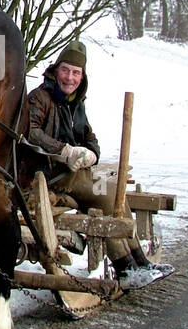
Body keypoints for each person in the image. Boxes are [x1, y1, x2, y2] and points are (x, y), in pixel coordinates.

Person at [24, 39, 156, 278]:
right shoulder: (40, 97)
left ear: (82, 76)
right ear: (56, 70)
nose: (70, 78)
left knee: (114, 194)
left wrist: (91, 154)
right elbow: (30, 132)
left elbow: (90, 137)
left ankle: (139, 261)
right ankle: (125, 267)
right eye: (65, 70)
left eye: (76, 73)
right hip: (49, 174)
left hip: (74, 173)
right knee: (105, 198)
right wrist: (64, 151)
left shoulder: (77, 103)